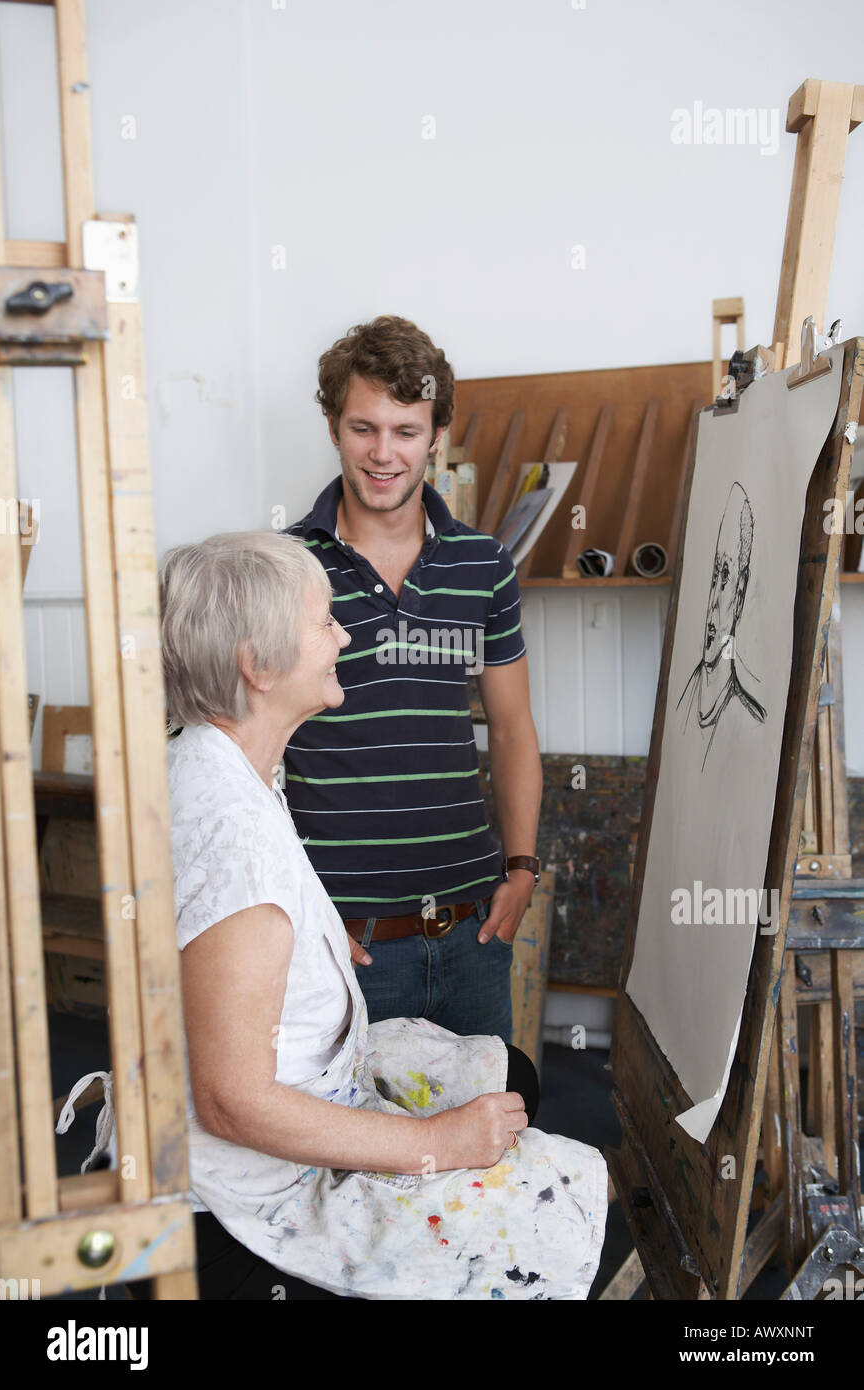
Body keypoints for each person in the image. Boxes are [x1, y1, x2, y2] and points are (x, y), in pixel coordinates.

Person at [159, 530, 607, 1300]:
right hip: (243, 1188)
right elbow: (231, 1101)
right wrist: (430, 1143)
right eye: (323, 624)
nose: (343, 637)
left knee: (515, 1075)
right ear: (255, 665)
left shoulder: (225, 762)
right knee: (558, 1190)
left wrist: (312, 937)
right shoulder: (232, 835)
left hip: (303, 1084)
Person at [282, 315, 543, 1041]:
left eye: (405, 430)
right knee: (343, 1148)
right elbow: (249, 758)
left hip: (472, 933)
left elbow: (514, 727)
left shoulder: (482, 566)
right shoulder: (284, 571)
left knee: (491, 1141)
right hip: (344, 937)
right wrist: (294, 907)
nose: (383, 453)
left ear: (436, 437)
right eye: (363, 428)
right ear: (333, 427)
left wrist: (521, 869)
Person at [677, 481, 766, 770]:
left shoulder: (749, 722)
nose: (713, 600)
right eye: (714, 575)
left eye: (725, 577)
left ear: (739, 597)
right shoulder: (679, 703)